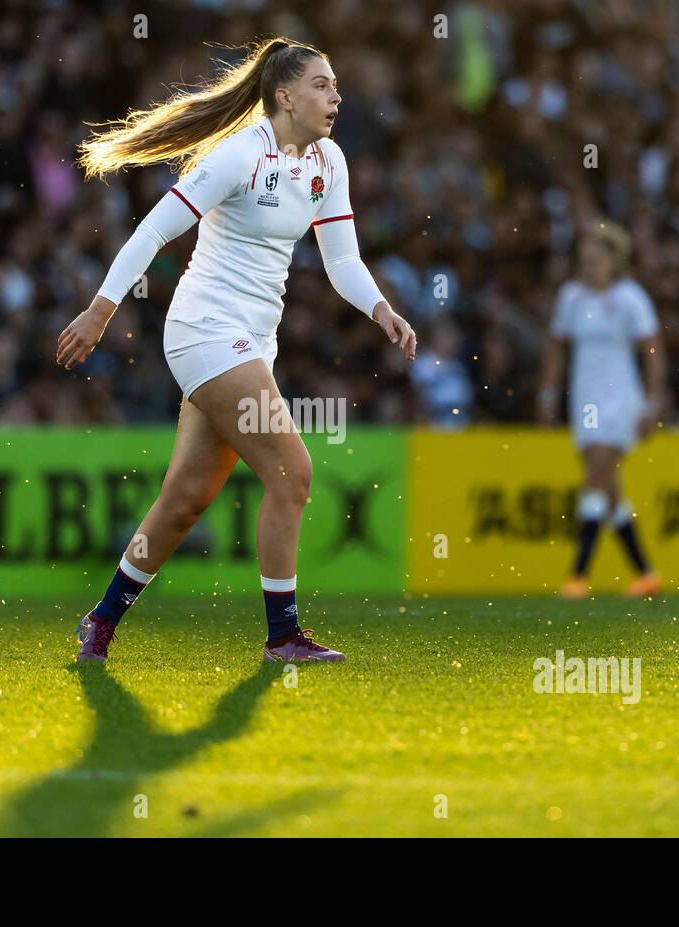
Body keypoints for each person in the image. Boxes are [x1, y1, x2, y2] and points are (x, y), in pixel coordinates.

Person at [57, 38, 416, 662]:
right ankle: (283, 635)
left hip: (253, 341)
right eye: (322, 85)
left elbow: (342, 259)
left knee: (186, 500)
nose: (336, 97)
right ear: (285, 96)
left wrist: (381, 308)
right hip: (205, 329)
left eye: (335, 87)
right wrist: (102, 308)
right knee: (293, 471)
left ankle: (101, 621)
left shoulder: (329, 163)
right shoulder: (240, 155)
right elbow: (154, 229)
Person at [538, 220, 665, 599]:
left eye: (598, 257)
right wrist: (547, 396)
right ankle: (646, 574)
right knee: (609, 491)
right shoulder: (571, 297)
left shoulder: (630, 297)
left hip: (621, 396)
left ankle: (577, 574)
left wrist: (653, 400)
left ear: (614, 260)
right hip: (585, 397)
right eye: (586, 258)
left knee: (596, 474)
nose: (590, 263)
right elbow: (556, 350)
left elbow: (653, 351)